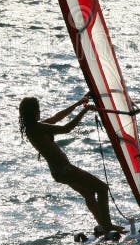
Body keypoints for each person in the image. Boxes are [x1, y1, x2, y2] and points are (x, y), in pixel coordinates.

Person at [19, 94, 125, 234]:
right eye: (37, 110)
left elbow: (58, 117)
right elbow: (66, 128)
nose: (39, 112)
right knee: (102, 188)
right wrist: (84, 111)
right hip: (64, 170)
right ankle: (107, 227)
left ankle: (104, 225)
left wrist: (78, 103)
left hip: (60, 171)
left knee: (88, 193)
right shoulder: (36, 128)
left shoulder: (35, 127)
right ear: (32, 113)